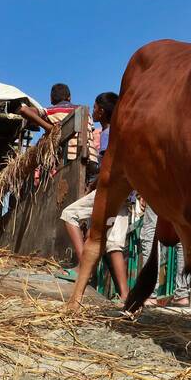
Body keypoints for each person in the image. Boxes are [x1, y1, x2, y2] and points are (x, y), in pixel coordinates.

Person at [58, 92, 133, 297]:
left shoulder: (108, 134)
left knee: (69, 214)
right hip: (126, 193)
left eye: (95, 107)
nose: (93, 110)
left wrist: (93, 186)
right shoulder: (124, 131)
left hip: (110, 192)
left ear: (102, 110)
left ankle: (84, 267)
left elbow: (109, 167)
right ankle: (126, 297)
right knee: (114, 244)